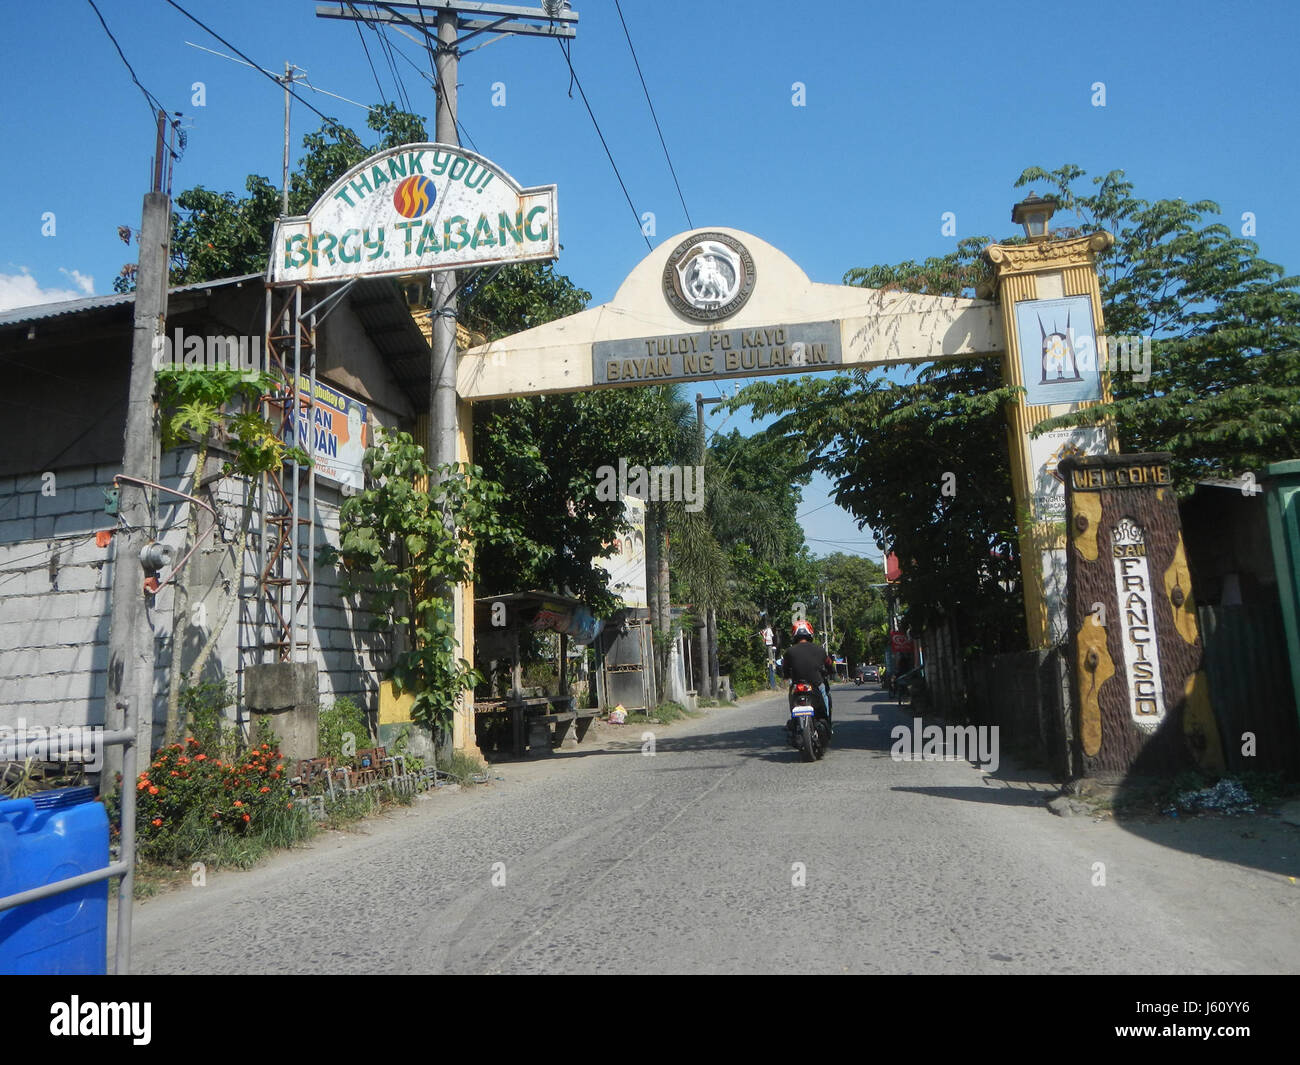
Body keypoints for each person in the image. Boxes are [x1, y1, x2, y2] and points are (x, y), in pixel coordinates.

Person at [782, 619, 832, 739]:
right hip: (816, 684)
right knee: (824, 697)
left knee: (791, 696)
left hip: (797, 685)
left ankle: (794, 719)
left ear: (794, 635)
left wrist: (786, 676)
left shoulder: (789, 652)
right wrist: (831, 672)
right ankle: (827, 723)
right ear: (810, 634)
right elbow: (829, 664)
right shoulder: (820, 650)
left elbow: (785, 669)